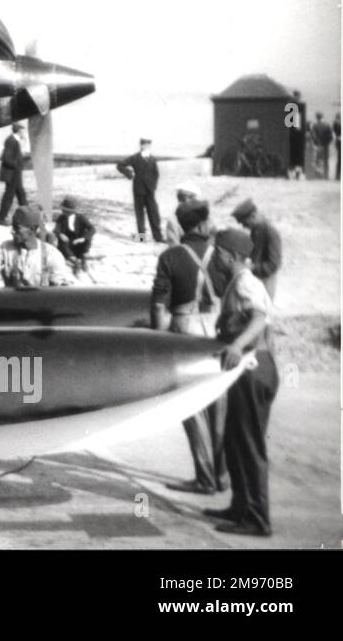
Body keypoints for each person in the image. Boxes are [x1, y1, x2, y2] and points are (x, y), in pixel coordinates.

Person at [201, 229, 277, 537]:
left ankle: (258, 519)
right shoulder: (238, 281)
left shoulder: (246, 282)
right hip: (246, 368)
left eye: (217, 251)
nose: (214, 256)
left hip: (252, 366)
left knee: (248, 444)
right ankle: (240, 506)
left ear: (230, 255)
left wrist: (236, 346)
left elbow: (259, 318)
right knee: (234, 438)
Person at [150, 199, 226, 495]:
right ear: (203, 224)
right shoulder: (220, 253)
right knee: (220, 401)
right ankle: (222, 475)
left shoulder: (170, 256)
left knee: (191, 404)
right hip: (218, 325)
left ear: (181, 226)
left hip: (184, 326)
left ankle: (205, 477)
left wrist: (157, 341)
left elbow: (159, 305)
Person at [0, 206, 75, 288]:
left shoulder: (51, 255)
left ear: (32, 230)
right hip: (12, 309)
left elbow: (60, 288)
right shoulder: (6, 248)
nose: (12, 232)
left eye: (17, 228)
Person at [231, 200, 281, 300]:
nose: (243, 226)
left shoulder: (270, 232)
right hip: (256, 281)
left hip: (265, 282)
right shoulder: (256, 229)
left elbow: (273, 265)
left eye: (244, 222)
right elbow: (255, 252)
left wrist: (251, 268)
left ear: (253, 216)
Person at [117, 138, 162, 242]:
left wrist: (154, 186)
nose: (144, 146)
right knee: (140, 215)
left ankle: (158, 237)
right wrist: (129, 174)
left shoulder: (153, 159)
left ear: (149, 146)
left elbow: (156, 174)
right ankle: (142, 238)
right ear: (140, 145)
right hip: (138, 189)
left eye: (147, 145)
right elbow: (120, 165)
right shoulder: (135, 158)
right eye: (142, 144)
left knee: (154, 214)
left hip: (150, 191)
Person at [53, 196, 95, 275]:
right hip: (68, 242)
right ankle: (75, 261)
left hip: (79, 241)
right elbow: (56, 229)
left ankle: (83, 257)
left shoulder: (81, 217)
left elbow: (92, 229)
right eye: (63, 210)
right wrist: (60, 234)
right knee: (61, 243)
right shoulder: (61, 218)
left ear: (71, 211)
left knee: (88, 238)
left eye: (65, 210)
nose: (63, 211)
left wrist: (83, 238)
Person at [0, 123, 27, 224]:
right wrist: (17, 165)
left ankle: (27, 217)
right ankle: (2, 218)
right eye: (23, 131)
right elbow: (6, 158)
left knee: (21, 194)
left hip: (15, 173)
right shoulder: (11, 140)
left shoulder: (15, 140)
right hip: (12, 174)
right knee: (9, 196)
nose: (24, 133)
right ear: (19, 131)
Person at [286, 92, 306, 180]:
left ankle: (292, 172)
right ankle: (297, 172)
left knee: (291, 154)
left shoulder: (288, 105)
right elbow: (297, 123)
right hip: (297, 134)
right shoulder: (298, 106)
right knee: (298, 155)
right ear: (297, 96)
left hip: (290, 133)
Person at [309, 112, 333, 179]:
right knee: (326, 161)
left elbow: (313, 136)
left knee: (317, 160)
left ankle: (317, 175)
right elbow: (331, 136)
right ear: (322, 117)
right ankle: (326, 175)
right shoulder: (327, 125)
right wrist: (327, 143)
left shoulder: (314, 125)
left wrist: (316, 143)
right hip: (326, 146)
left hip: (318, 145)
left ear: (316, 117)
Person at [334, 112, 342, 180]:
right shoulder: (337, 123)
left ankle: (337, 175)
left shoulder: (336, 123)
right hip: (339, 142)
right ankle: (338, 175)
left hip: (338, 142)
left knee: (339, 159)